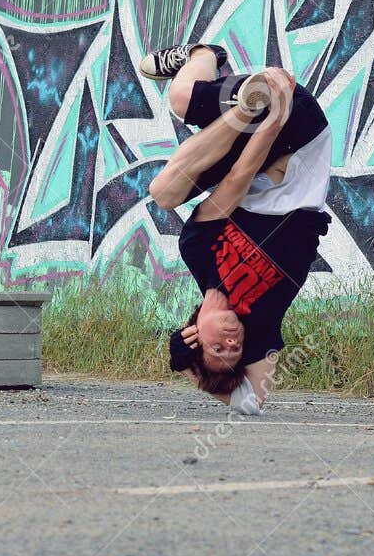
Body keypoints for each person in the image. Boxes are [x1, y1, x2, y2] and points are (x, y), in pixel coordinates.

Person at [140, 44, 333, 415]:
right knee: (186, 102)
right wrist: (277, 115)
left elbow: (235, 182)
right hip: (300, 136)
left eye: (217, 349)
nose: (231, 343)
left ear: (195, 335)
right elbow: (250, 403)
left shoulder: (198, 252)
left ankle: (205, 55)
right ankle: (243, 101)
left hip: (257, 159)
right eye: (235, 351)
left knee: (164, 190)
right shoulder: (262, 320)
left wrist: (184, 362)